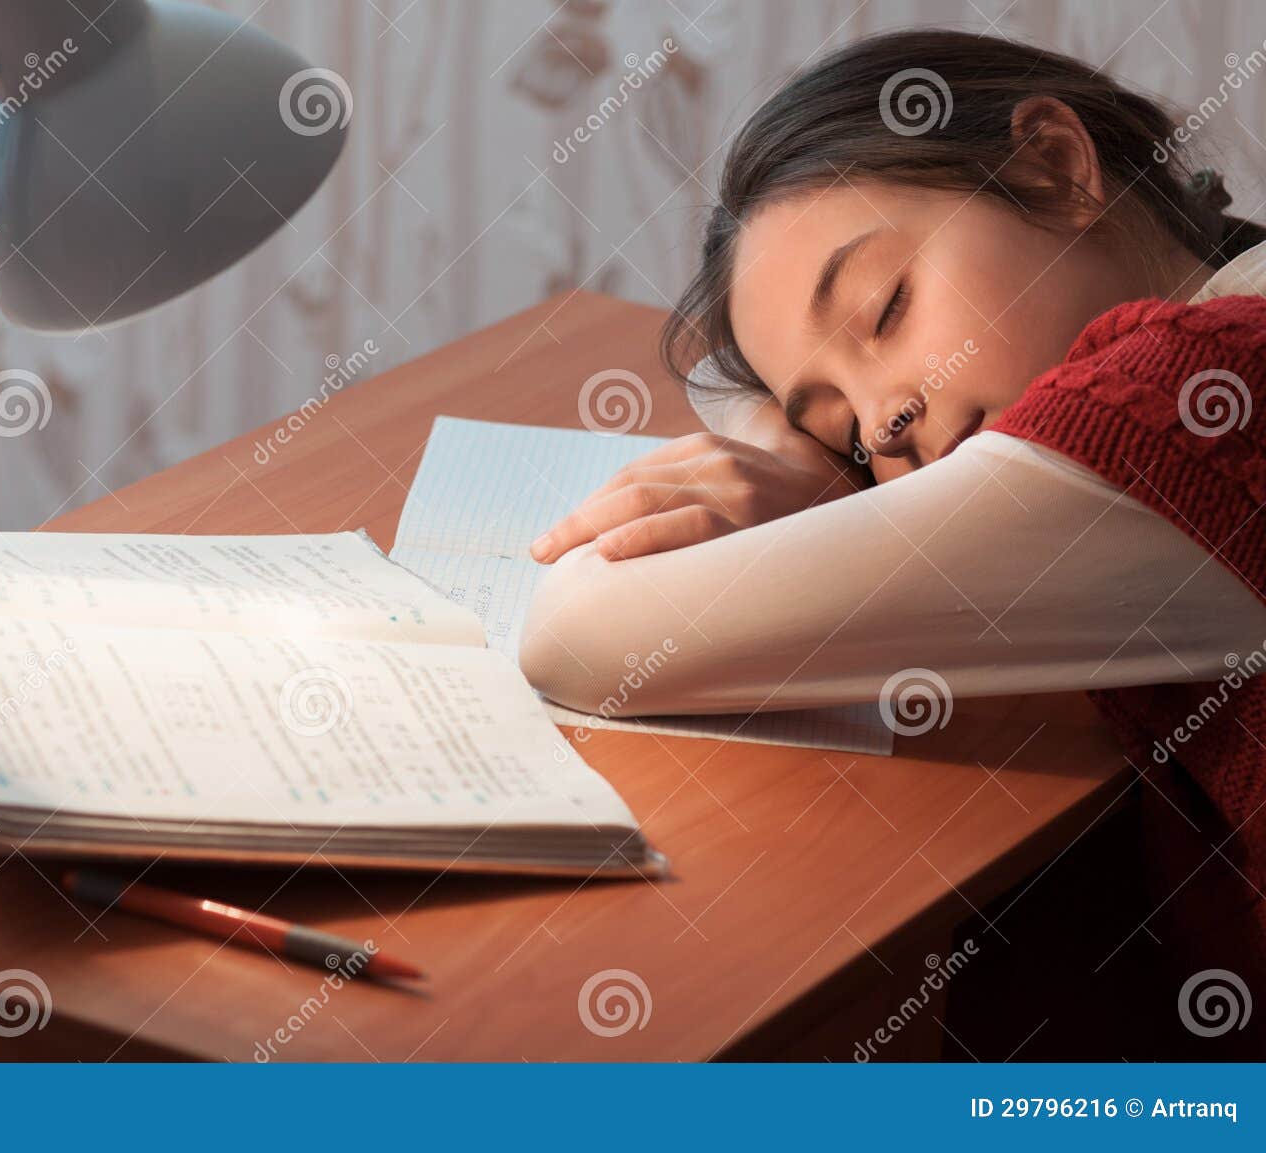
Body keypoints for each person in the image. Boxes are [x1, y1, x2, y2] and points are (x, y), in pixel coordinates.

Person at [517, 29, 1266, 1006]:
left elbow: (582, 636)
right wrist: (798, 446)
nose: (888, 420)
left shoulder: (1193, 400)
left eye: (885, 308)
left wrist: (800, 465)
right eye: (845, 425)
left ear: (1050, 163)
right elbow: (713, 371)